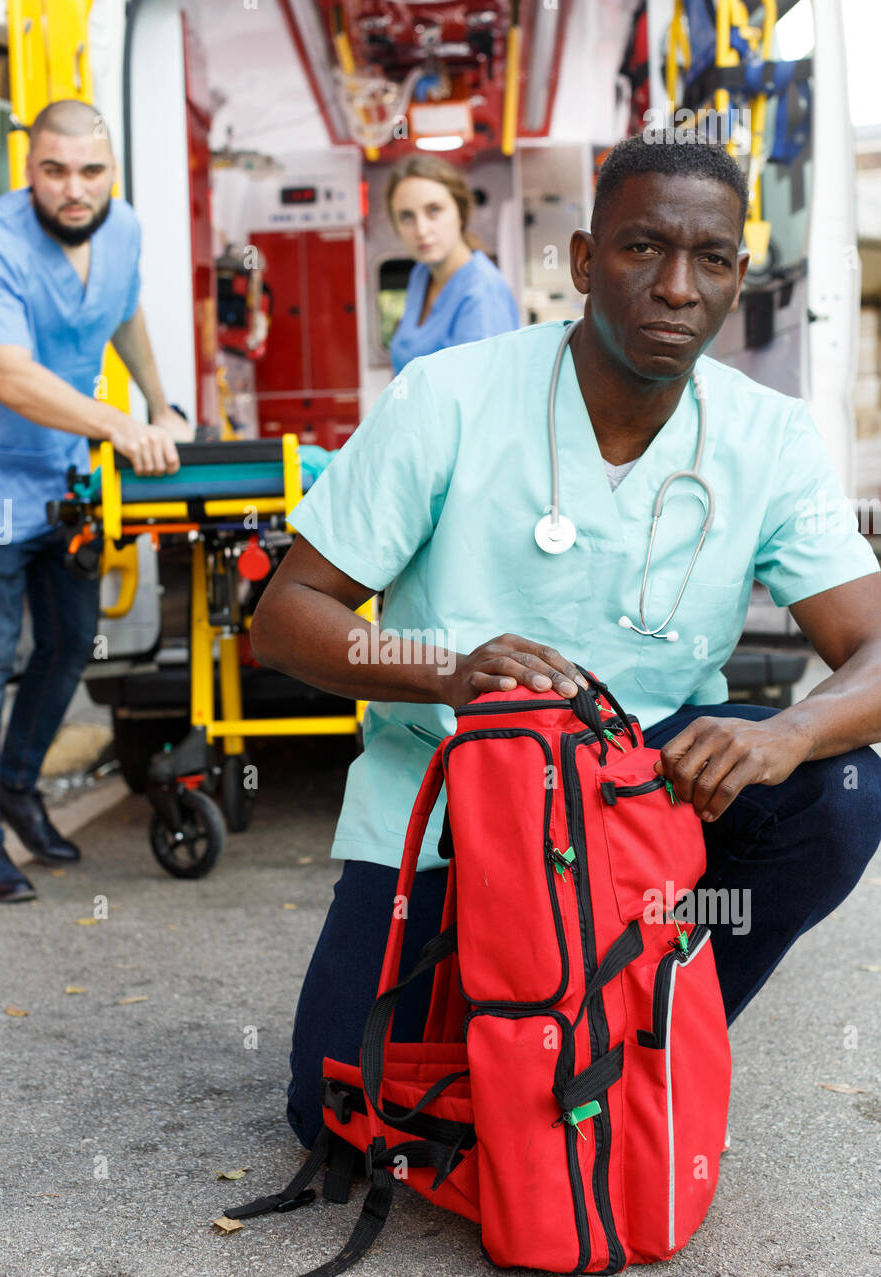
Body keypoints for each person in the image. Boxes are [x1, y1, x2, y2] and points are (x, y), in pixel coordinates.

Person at [250, 134, 881, 1149]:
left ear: (736, 276)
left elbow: (872, 647)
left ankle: (647, 1041)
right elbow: (284, 618)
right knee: (339, 1121)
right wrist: (446, 671)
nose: (675, 287)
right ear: (585, 261)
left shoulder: (769, 438)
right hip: (457, 793)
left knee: (843, 790)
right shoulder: (447, 398)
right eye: (643, 249)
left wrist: (794, 729)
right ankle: (540, 1045)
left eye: (709, 259)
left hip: (643, 801)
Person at [0, 99, 192, 904]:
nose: (73, 189)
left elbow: (125, 311)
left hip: (67, 483)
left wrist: (159, 400)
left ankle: (18, 786)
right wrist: (117, 423)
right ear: (28, 168)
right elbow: (6, 374)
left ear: (110, 171)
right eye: (53, 170)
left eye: (90, 171)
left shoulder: (124, 229)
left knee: (72, 646)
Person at [386, 154, 520, 372]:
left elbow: (480, 397)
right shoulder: (421, 275)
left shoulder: (482, 293)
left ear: (461, 213)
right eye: (407, 217)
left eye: (434, 210)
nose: (421, 230)